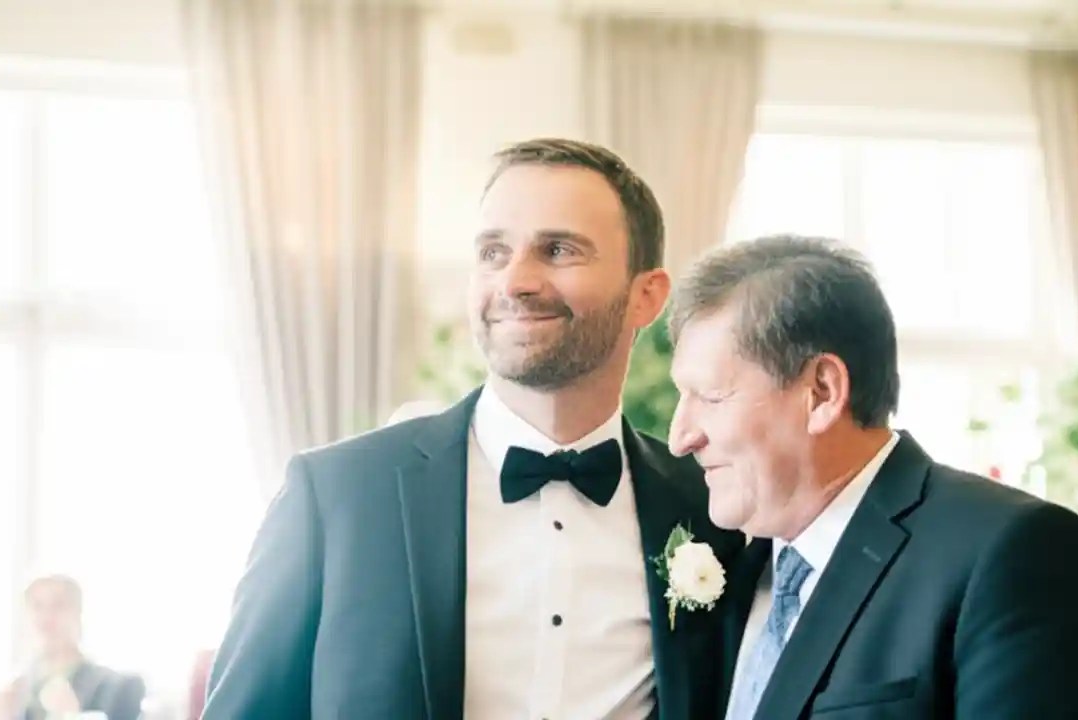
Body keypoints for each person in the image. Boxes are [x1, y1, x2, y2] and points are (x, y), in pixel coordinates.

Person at [204, 138, 743, 719]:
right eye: (493, 252)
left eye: (558, 250)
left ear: (646, 296)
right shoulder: (336, 496)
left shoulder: (713, 504)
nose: (515, 281)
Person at [666, 235, 1078, 719]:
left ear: (823, 391)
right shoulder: (738, 573)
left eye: (709, 396)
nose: (679, 437)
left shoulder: (1017, 554)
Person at [0, 574, 145, 720]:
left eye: (58, 605)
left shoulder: (119, 688)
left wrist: (73, 717)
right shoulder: (9, 695)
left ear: (78, 613)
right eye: (37, 606)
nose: (46, 617)